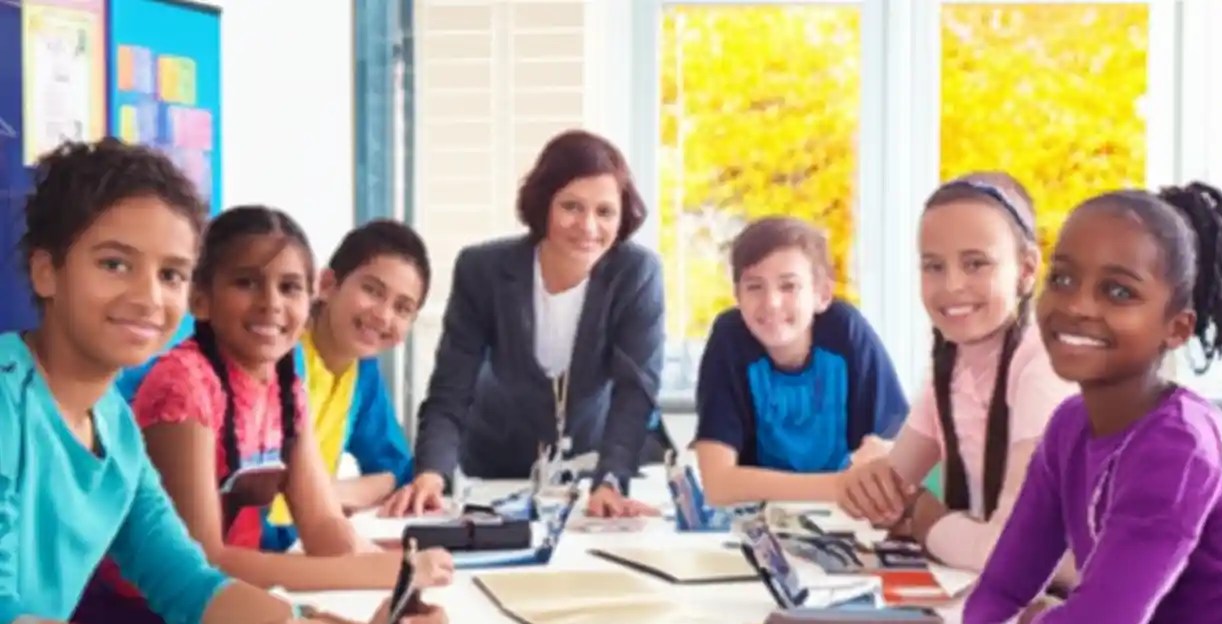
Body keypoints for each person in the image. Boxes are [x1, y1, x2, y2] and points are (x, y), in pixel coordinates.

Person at [0, 139, 447, 624]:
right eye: (115, 264)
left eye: (170, 274)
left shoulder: (113, 425)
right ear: (46, 271)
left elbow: (191, 583)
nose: (147, 297)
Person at [962, 182, 1222, 624]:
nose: (1077, 306)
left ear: (1175, 328)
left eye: (1118, 292)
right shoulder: (1070, 426)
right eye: (1062, 278)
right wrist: (1042, 621)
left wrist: (1038, 616)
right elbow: (1000, 590)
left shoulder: (1179, 447)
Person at [73, 205, 451, 624]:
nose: (271, 303)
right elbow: (204, 560)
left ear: (310, 297)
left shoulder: (286, 381)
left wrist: (392, 571)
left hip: (224, 605)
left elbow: (324, 527)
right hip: (143, 622)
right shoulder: (185, 383)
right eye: (246, 283)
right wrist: (375, 572)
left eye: (289, 287)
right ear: (201, 298)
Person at [382, 129, 665, 519]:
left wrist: (612, 479)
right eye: (571, 207)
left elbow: (635, 391)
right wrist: (432, 472)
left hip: (596, 466)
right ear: (543, 205)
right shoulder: (483, 270)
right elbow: (451, 388)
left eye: (604, 211)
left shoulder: (637, 273)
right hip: (497, 465)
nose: (588, 227)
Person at [835, 173, 1078, 579]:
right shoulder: (954, 368)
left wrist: (923, 516)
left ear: (1026, 269)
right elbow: (890, 496)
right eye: (933, 266)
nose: (952, 285)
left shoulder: (1043, 370)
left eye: (976, 263)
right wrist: (865, 484)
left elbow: (1018, 554)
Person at [691, 216, 909, 506]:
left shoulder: (846, 332)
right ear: (737, 296)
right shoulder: (730, 339)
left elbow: (895, 460)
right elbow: (718, 486)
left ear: (822, 295)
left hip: (850, 521)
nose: (771, 302)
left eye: (789, 286)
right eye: (755, 287)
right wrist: (844, 485)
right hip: (761, 525)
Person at [263, 220, 430, 549]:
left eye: (402, 308)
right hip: (253, 556)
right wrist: (321, 500)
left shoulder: (362, 372)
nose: (383, 315)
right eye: (372, 290)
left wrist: (330, 493)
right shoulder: (275, 354)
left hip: (304, 545)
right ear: (326, 284)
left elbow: (395, 470)